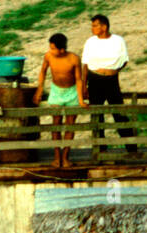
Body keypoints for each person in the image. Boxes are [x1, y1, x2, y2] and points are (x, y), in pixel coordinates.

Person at [33, 33, 85, 168]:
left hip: (72, 91)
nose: (51, 51)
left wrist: (81, 99)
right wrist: (39, 89)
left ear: (62, 49)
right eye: (50, 48)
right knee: (56, 124)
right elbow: (43, 72)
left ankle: (65, 157)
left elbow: (79, 79)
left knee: (70, 125)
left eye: (53, 48)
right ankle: (57, 157)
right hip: (56, 91)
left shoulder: (74, 59)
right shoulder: (48, 56)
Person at [82, 14, 132, 151]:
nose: (92, 28)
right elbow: (85, 65)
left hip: (111, 80)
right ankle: (100, 150)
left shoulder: (118, 40)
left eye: (95, 25)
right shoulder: (90, 42)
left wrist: (113, 70)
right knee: (97, 115)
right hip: (94, 79)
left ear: (104, 26)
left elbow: (125, 60)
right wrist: (84, 86)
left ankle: (131, 147)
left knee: (119, 113)